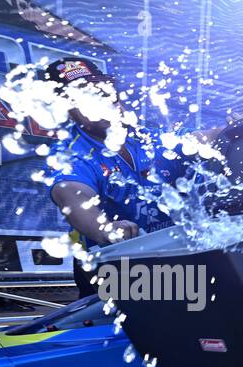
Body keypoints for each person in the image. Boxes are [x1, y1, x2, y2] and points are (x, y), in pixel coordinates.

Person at [45, 58, 185, 296]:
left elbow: (202, 141)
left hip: (175, 261)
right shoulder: (69, 154)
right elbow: (70, 194)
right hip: (113, 272)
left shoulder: (150, 138)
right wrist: (105, 229)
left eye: (102, 92)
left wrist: (238, 130)